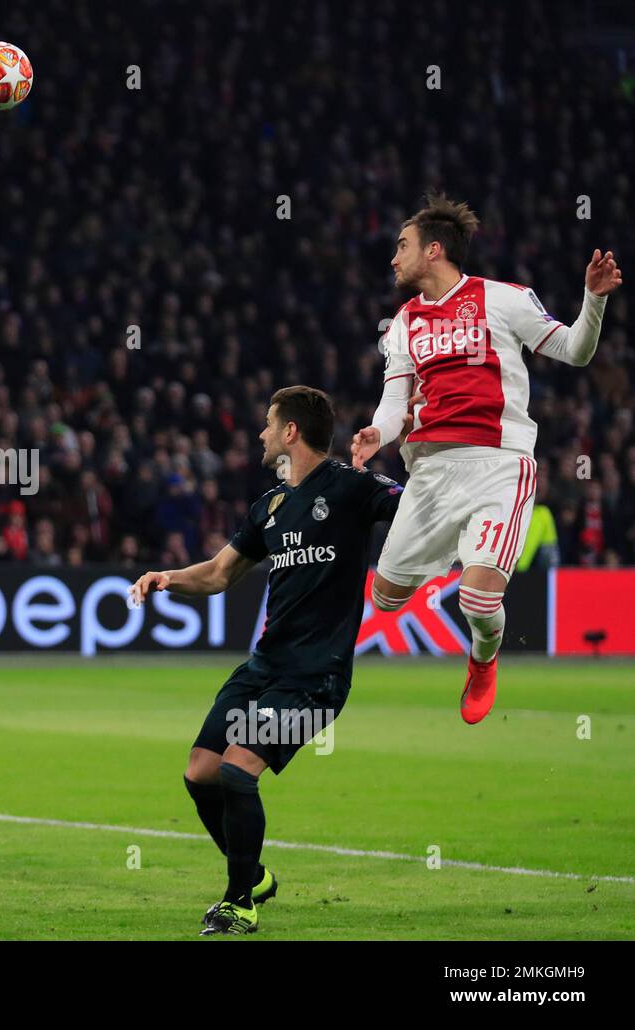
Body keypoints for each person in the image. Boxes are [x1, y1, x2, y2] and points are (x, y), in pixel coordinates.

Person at [130, 387, 404, 935]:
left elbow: (415, 504)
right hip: (264, 667)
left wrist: (415, 442)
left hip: (316, 677)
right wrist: (169, 578)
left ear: (291, 433)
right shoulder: (270, 506)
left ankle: (239, 904)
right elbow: (217, 573)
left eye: (267, 424)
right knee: (201, 772)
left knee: (238, 769)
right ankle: (252, 875)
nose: (260, 433)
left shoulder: (352, 488)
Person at [351, 194, 621, 722]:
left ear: (434, 250)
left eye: (401, 246)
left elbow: (576, 351)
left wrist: (593, 301)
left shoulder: (503, 299)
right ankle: (456, 561)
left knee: (475, 602)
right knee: (383, 599)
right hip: (429, 471)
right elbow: (392, 403)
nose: (393, 258)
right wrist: (375, 434)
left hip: (498, 464)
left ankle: (482, 659)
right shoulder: (402, 322)